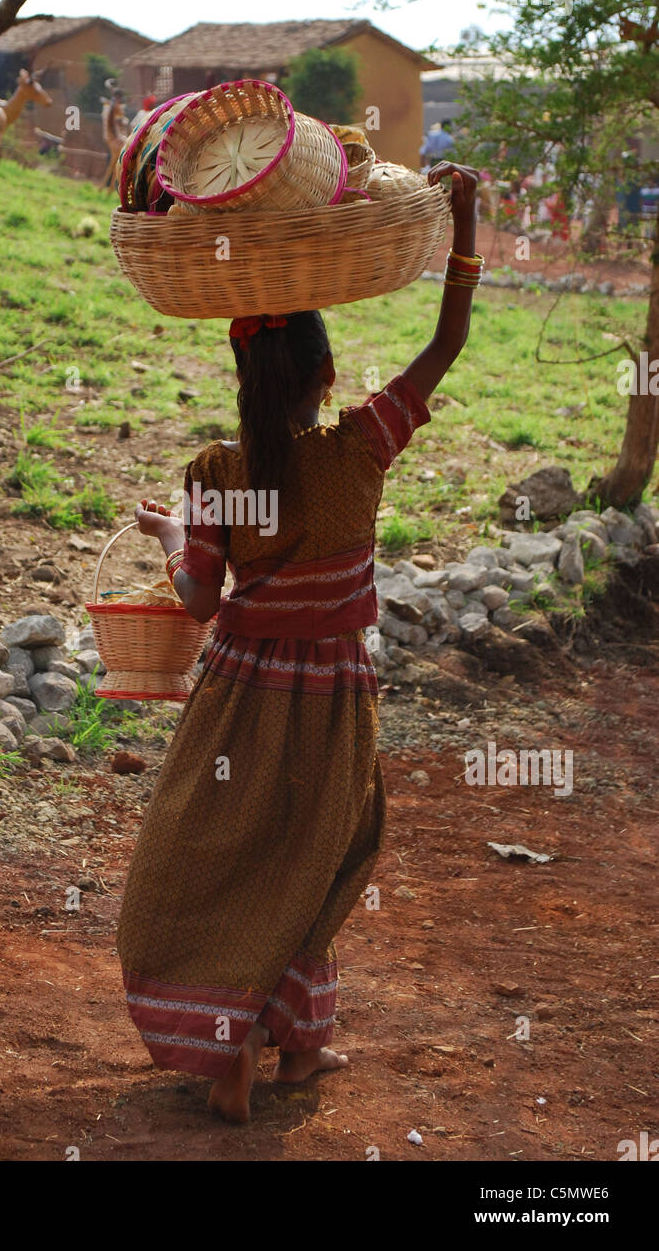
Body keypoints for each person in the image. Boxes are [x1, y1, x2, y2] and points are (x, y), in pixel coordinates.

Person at [117, 161, 481, 1123]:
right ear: (325, 376)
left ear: (241, 378)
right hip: (333, 697)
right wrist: (466, 221)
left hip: (238, 695)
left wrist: (169, 539)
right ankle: (286, 1049)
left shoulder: (216, 474)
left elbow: (200, 600)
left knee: (229, 854)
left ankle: (233, 1043)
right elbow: (449, 340)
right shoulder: (363, 447)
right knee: (316, 858)